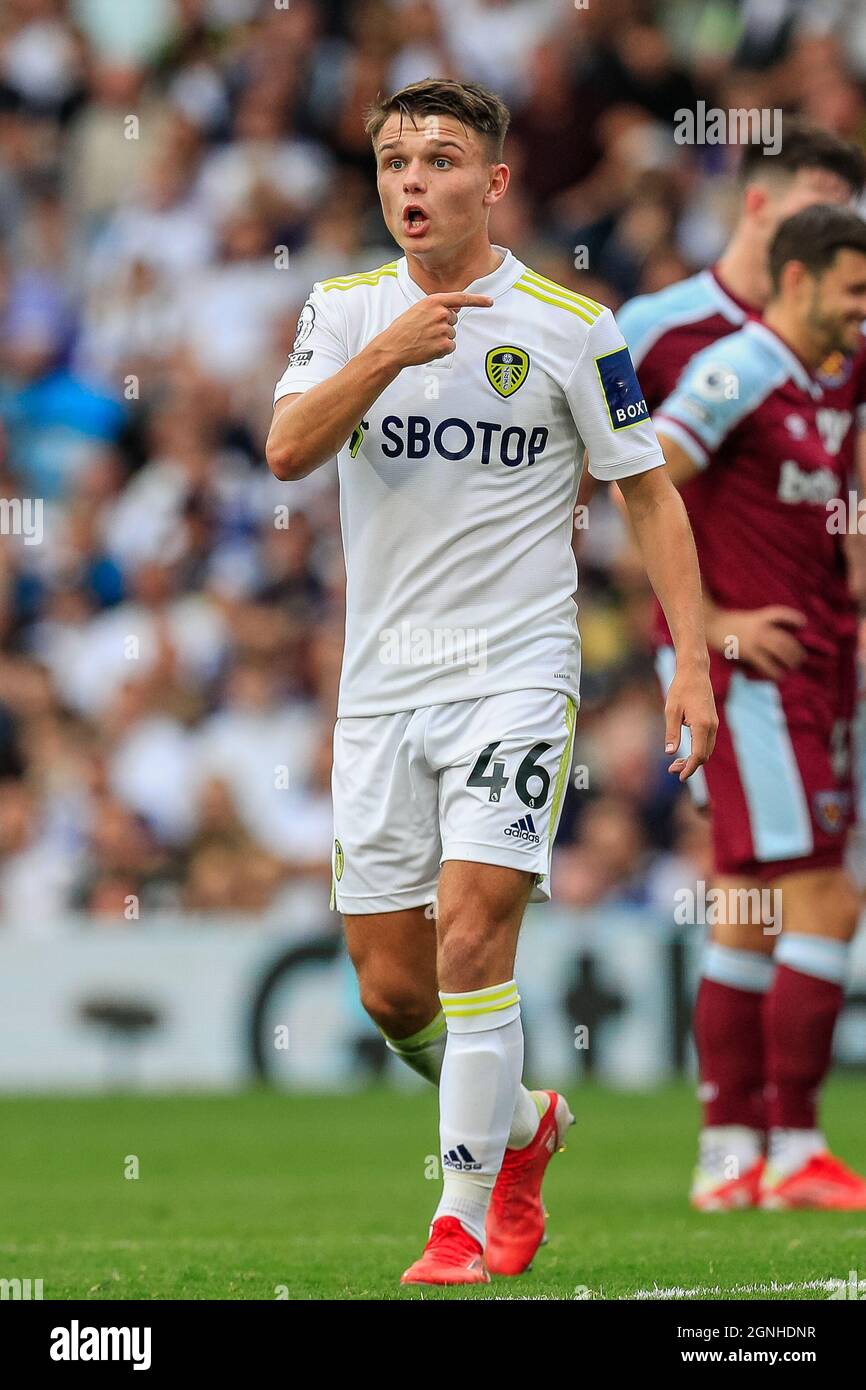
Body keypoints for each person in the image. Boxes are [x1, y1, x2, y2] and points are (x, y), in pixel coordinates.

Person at [266, 78, 716, 1286]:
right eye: (395, 161)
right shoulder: (345, 310)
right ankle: (522, 1123)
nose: (412, 182)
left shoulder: (572, 325)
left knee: (474, 936)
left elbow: (647, 492)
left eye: (441, 160)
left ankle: (457, 1220)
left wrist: (689, 659)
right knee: (391, 989)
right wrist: (390, 356)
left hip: (515, 675)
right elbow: (288, 450)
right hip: (380, 691)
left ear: (495, 183)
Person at [617, 122, 866, 1211]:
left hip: (815, 666)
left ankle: (729, 1154)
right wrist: (704, 625)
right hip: (754, 675)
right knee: (820, 894)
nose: (863, 307)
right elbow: (637, 475)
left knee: (750, 907)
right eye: (852, 287)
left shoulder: (827, 372)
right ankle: (794, 1142)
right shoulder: (716, 359)